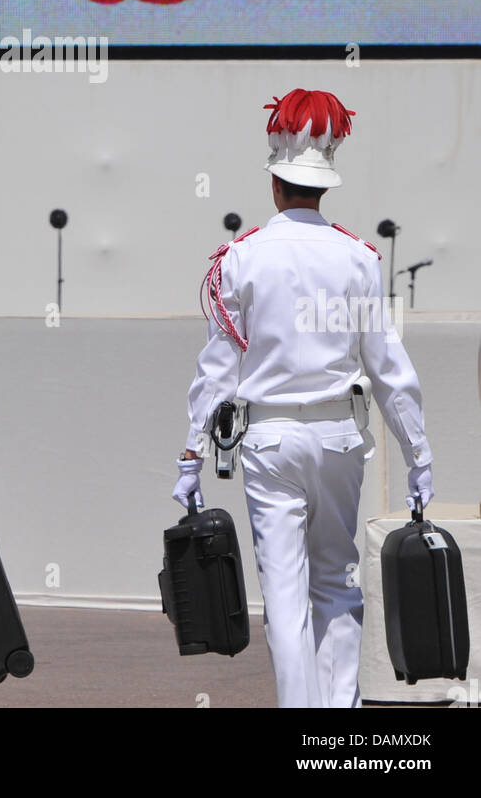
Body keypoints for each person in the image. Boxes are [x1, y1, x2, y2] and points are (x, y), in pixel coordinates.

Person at [173, 88, 433, 709]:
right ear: (327, 183)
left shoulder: (239, 260)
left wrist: (189, 457)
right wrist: (419, 455)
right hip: (341, 439)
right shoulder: (359, 260)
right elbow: (389, 367)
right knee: (339, 587)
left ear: (274, 183)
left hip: (267, 442)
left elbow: (218, 371)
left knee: (285, 602)